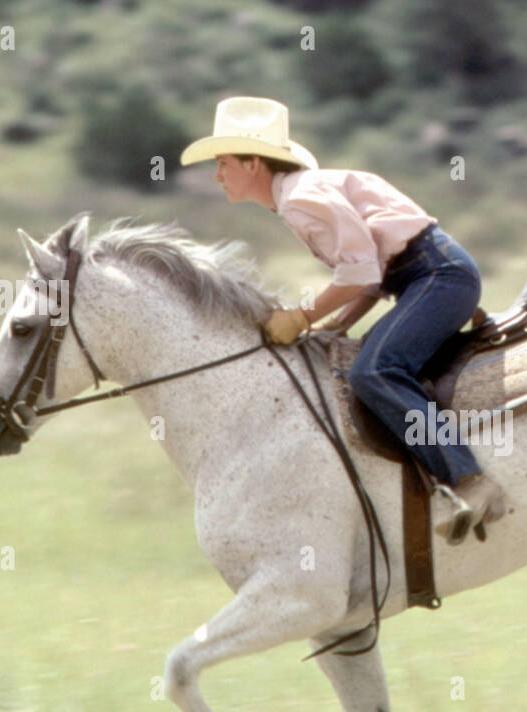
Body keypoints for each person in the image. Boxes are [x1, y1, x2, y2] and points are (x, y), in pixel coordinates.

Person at [181, 97, 506, 544]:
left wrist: (301, 316)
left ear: (253, 163)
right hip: (425, 276)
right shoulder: (299, 195)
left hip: (437, 276)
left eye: (223, 163)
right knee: (365, 360)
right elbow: (370, 277)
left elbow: (361, 273)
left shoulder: (300, 200)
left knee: (374, 370)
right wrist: (332, 325)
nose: (217, 175)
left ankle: (471, 481)